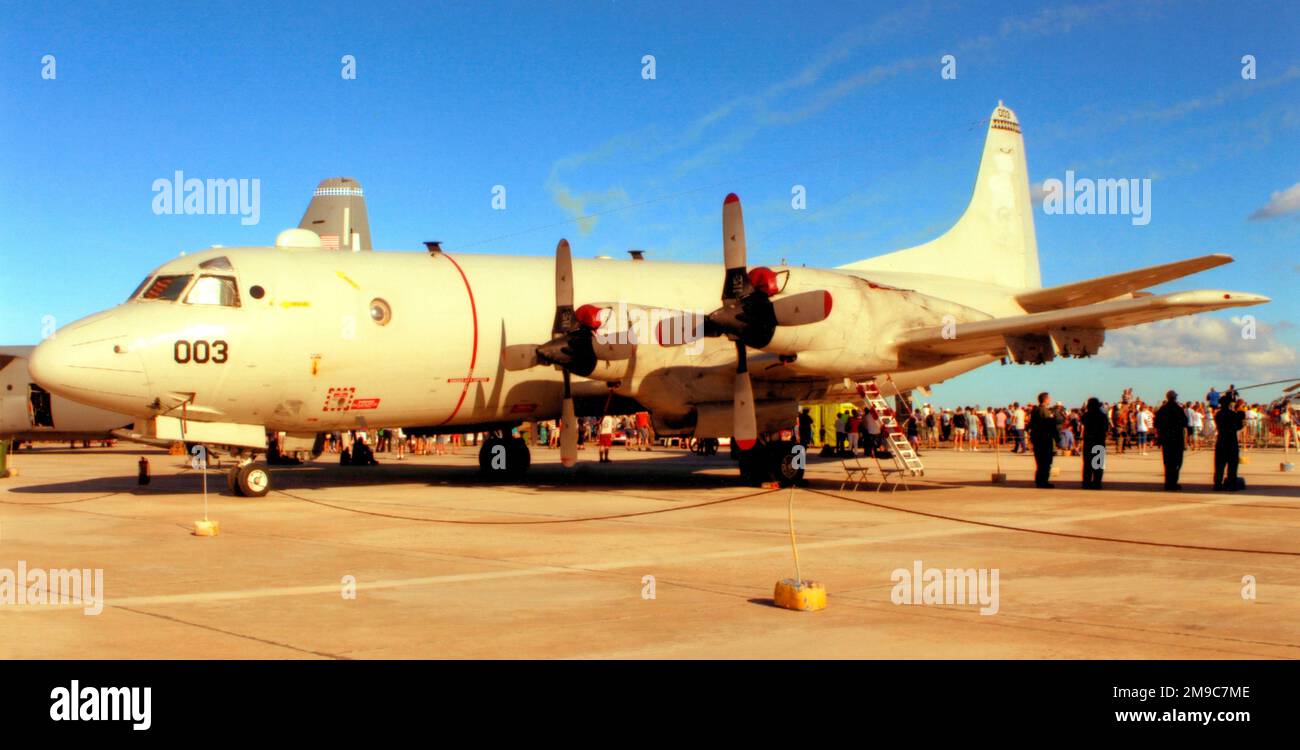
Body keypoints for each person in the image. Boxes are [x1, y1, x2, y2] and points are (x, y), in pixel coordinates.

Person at [1154, 390, 1188, 491]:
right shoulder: (1178, 409)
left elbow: (1156, 424)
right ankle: (1173, 482)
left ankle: (1168, 483)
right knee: (1177, 462)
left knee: (1168, 462)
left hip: (1166, 439)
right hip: (1177, 439)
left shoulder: (1163, 409)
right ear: (1175, 398)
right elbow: (1185, 422)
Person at [1213, 397, 1246, 491]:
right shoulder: (1232, 414)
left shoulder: (1218, 414)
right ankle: (1231, 483)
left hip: (1221, 440)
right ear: (1228, 404)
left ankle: (1218, 483)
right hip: (1231, 441)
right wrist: (1241, 414)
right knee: (1232, 464)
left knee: (1219, 464)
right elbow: (1238, 426)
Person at [1028, 392, 1058, 488]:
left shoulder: (1035, 410)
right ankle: (1043, 481)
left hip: (1037, 439)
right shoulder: (1044, 411)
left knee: (1040, 461)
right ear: (1045, 399)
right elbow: (1049, 425)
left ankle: (1039, 480)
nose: (1050, 400)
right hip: (1045, 439)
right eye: (1049, 398)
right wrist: (1057, 437)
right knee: (1045, 462)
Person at [1081, 397, 1110, 489]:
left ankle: (1086, 482)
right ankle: (1097, 483)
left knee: (1087, 464)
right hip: (1099, 441)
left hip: (1088, 441)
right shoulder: (1102, 416)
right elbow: (1106, 428)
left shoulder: (1086, 415)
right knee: (1098, 464)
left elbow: (1083, 421)